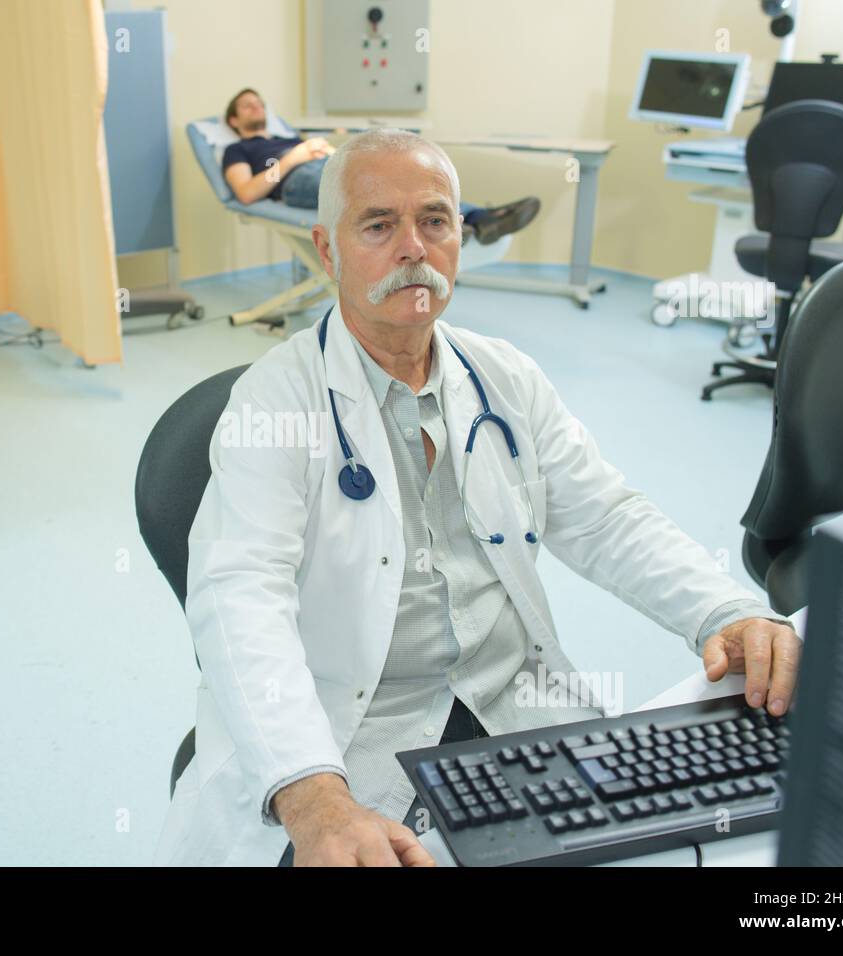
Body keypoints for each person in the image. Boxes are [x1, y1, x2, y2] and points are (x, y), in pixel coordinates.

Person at [155, 128, 800, 867]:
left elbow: (607, 518)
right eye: (378, 225)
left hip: (511, 703)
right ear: (327, 252)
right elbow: (238, 596)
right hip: (351, 731)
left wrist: (726, 610)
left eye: (434, 221)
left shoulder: (505, 377)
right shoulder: (274, 402)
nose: (413, 249)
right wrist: (312, 793)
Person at [221, 87, 540, 246]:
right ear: (234, 120)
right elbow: (247, 193)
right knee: (387, 184)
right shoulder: (238, 149)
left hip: (322, 166)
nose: (257, 106)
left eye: (259, 102)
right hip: (294, 181)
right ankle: (463, 220)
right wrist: (296, 157)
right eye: (247, 105)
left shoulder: (288, 135)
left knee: (400, 172)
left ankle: (474, 218)